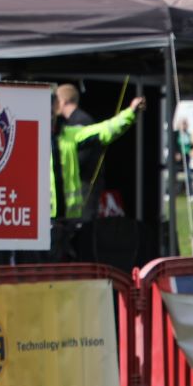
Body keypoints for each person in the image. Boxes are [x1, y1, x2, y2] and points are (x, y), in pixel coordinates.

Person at [51, 95, 143, 262]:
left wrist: (130, 113)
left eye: (51, 113)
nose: (50, 118)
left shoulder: (70, 135)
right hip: (40, 219)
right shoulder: (31, 136)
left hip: (67, 219)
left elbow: (106, 130)